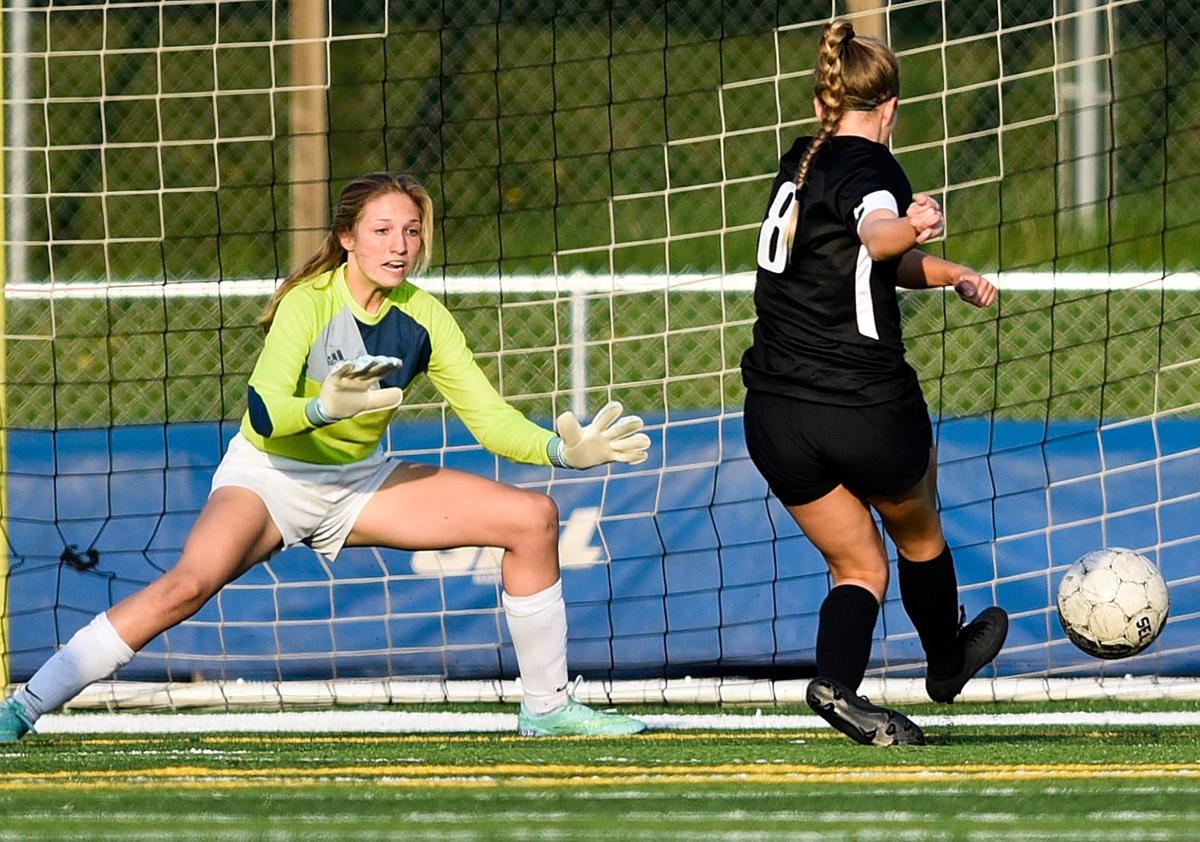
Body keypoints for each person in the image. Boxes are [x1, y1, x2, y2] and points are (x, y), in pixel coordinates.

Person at [1, 172, 651, 741]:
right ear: (347, 237)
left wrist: (562, 452)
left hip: (358, 483)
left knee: (531, 520)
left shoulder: (425, 317)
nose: (398, 246)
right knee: (186, 586)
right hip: (269, 477)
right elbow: (263, 411)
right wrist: (320, 409)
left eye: (412, 231)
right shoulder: (307, 305)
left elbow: (489, 420)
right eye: (382, 230)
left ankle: (547, 707)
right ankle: (24, 708)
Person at [740, 20, 1008, 746]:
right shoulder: (876, 169)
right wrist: (914, 225)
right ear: (887, 105)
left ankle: (836, 685)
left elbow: (858, 262)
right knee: (918, 534)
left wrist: (947, 272)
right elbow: (876, 236)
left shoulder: (799, 161)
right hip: (862, 405)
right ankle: (946, 660)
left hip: (773, 412)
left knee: (856, 563)